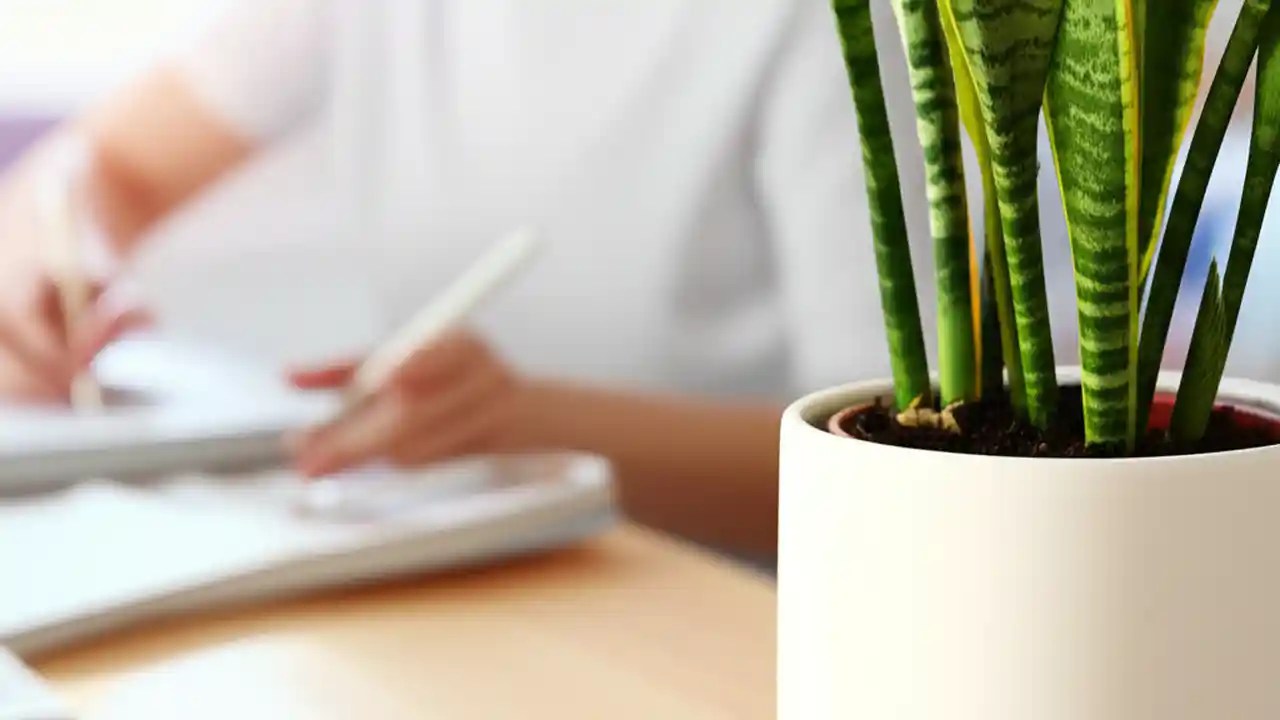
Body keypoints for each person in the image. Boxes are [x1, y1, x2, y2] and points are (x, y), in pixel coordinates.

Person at [0, 1, 926, 559]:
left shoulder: (834, 25)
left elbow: (901, 470)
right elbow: (99, 171)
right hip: (457, 566)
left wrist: (528, 424)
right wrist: (50, 273)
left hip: (718, 609)